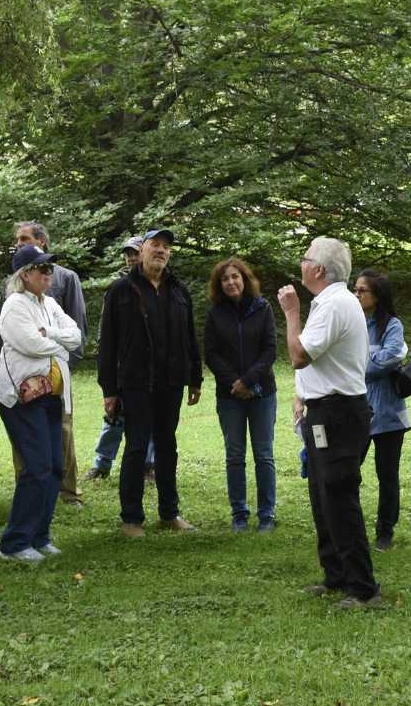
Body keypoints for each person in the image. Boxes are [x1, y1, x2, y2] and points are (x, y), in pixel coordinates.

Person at [277, 237, 383, 609]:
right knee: (323, 496)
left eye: (305, 258)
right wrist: (304, 396)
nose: (301, 263)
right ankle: (336, 575)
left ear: (318, 269)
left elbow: (299, 355)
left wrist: (291, 312)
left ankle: (363, 588)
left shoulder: (334, 304)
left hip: (339, 414)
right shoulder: (331, 303)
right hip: (325, 411)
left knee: (339, 497)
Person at [98, 229, 202, 536]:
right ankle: (132, 519)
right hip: (136, 382)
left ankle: (169, 513)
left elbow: (189, 338)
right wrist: (110, 390)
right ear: (141, 251)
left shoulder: (179, 290)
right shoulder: (120, 290)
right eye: (154, 245)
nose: (161, 250)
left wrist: (194, 378)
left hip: (171, 382)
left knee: (167, 447)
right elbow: (108, 344)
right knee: (136, 447)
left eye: (166, 247)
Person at [0, 243, 81, 563]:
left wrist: (52, 335)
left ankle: (39, 535)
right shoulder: (15, 305)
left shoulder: (50, 304)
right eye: (42, 269)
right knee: (37, 467)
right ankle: (15, 542)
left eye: (50, 268)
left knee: (55, 466)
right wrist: (56, 343)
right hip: (22, 397)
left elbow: (76, 335)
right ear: (25, 275)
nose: (49, 273)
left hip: (51, 394)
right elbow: (30, 344)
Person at [8, 221, 87, 506]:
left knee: (62, 432)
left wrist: (61, 354)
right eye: (18, 240)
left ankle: (67, 491)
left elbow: (77, 332)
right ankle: (28, 487)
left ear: (41, 242)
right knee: (28, 436)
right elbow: (22, 340)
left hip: (58, 375)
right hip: (25, 378)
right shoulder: (16, 290)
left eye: (25, 239)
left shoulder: (65, 279)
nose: (20, 244)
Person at [203, 256, 277, 533]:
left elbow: (270, 350)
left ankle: (267, 515)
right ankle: (239, 515)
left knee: (264, 454)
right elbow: (211, 353)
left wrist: (247, 380)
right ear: (219, 285)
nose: (231, 282)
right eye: (225, 279)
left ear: (245, 280)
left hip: (262, 393)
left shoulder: (263, 308)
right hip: (229, 395)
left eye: (235, 277)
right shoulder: (215, 314)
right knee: (234, 455)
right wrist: (234, 382)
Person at [85, 236, 152, 482]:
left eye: (135, 252)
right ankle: (101, 465)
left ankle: (148, 465)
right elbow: (107, 330)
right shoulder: (117, 288)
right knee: (114, 417)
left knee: (150, 420)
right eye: (128, 254)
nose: (132, 258)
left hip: (148, 368)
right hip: (122, 367)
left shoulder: (157, 285)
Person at [355, 270, 410, 551]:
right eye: (356, 289)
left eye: (362, 290)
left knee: (387, 475)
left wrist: (359, 365)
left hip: (389, 414)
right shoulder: (352, 323)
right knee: (350, 470)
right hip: (359, 412)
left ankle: (385, 532)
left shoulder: (393, 325)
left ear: (376, 296)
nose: (356, 294)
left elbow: (388, 359)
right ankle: (351, 528)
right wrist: (372, 361)